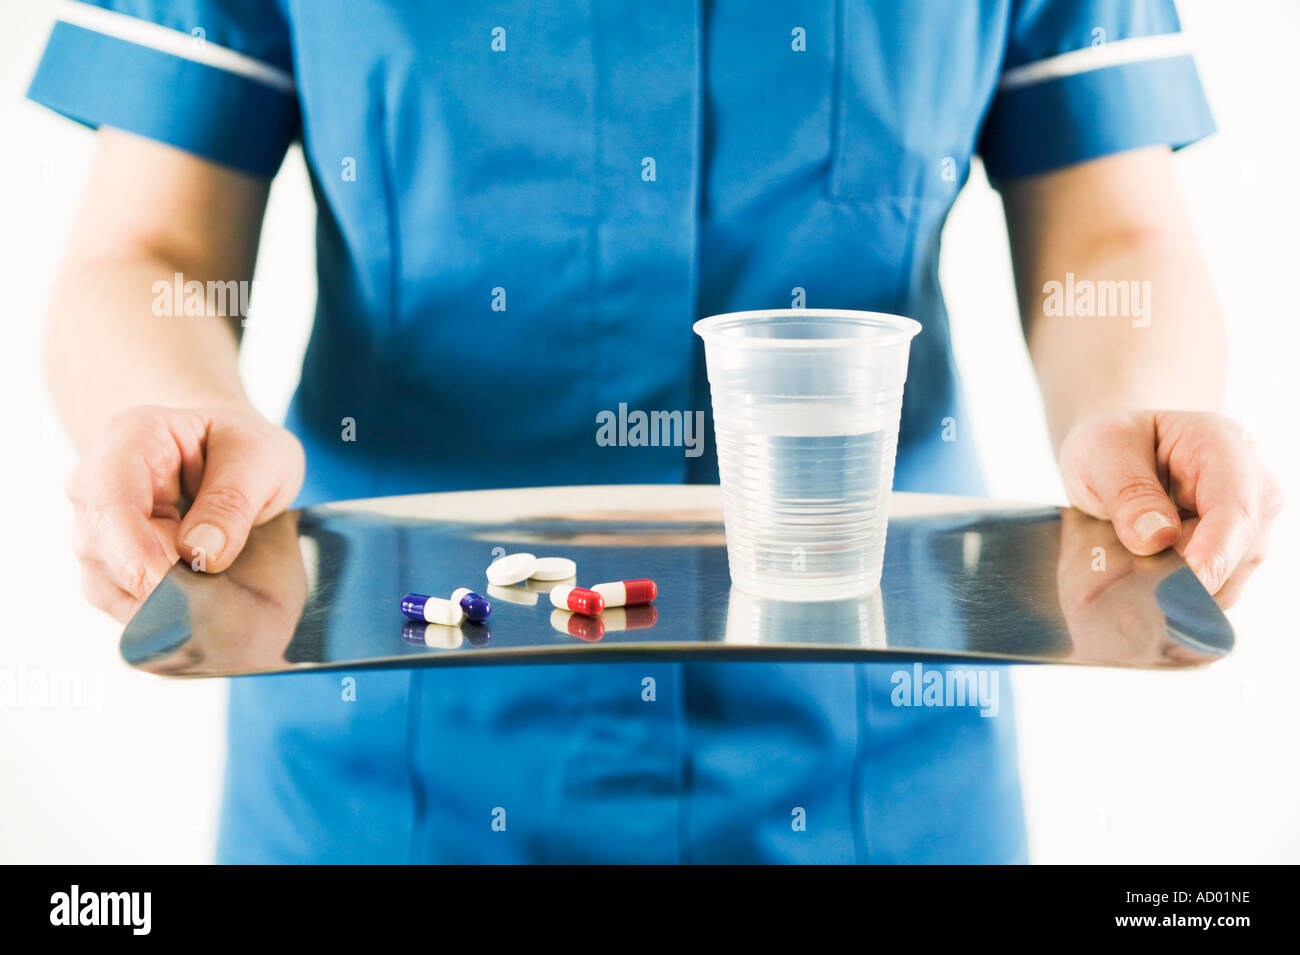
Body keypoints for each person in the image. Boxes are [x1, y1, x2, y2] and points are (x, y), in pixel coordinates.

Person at [29, 0, 1280, 863]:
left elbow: (1113, 230)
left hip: (873, 770)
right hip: (391, 766)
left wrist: (1135, 405)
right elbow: (154, 246)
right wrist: (172, 414)